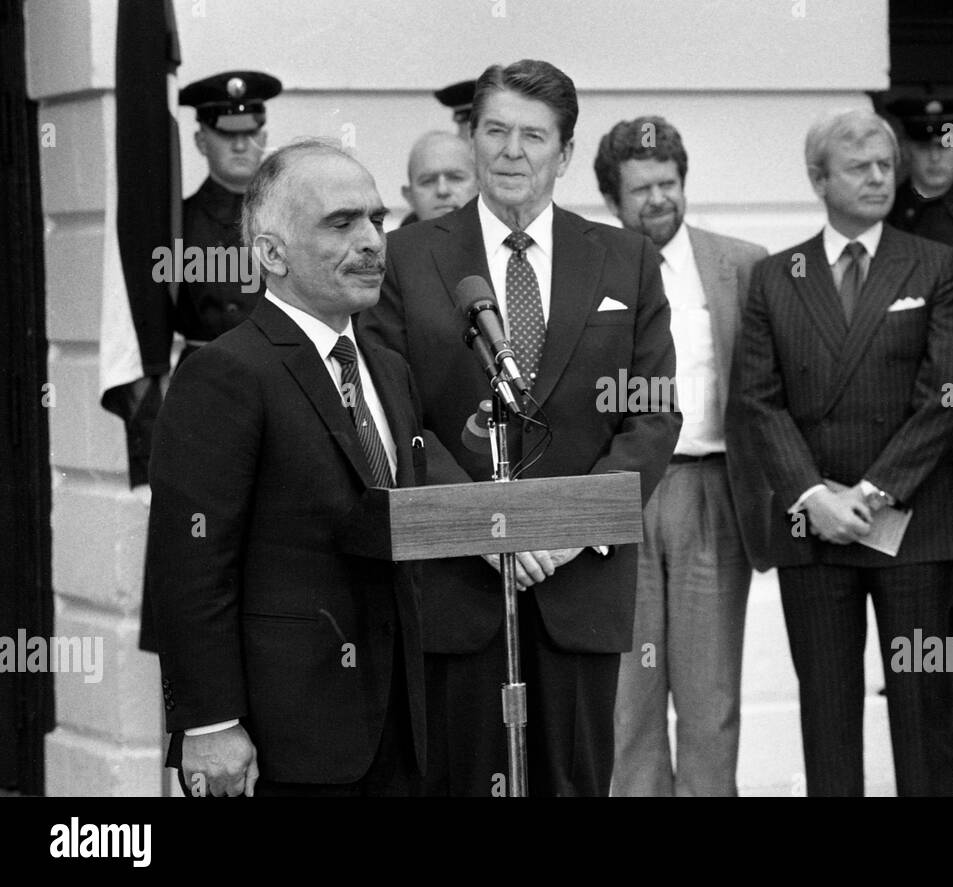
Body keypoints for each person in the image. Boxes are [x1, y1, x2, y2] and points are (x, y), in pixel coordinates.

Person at [360, 59, 681, 797]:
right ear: (471, 139)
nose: (512, 151)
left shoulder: (625, 260)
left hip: (581, 580)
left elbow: (653, 411)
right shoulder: (407, 259)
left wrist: (564, 526)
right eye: (495, 130)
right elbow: (392, 409)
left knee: (573, 782)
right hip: (456, 584)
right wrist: (493, 526)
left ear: (565, 154)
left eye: (533, 136)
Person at [147, 139, 443, 796]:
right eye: (341, 223)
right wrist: (210, 722)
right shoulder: (225, 373)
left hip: (398, 729)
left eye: (377, 219)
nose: (371, 241)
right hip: (284, 742)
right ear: (270, 252)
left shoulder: (388, 370)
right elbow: (191, 563)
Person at [728, 106, 953, 796]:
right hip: (815, 528)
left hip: (912, 524)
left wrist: (869, 494)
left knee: (923, 713)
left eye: (885, 166)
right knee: (827, 713)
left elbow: (945, 394)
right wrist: (813, 496)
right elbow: (758, 400)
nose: (877, 178)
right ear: (817, 178)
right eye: (858, 167)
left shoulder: (935, 265)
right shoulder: (777, 277)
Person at [594, 115, 767, 796]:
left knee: (710, 692)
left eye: (667, 182)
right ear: (613, 199)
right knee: (626, 698)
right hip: (622, 493)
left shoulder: (743, 265)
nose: (657, 198)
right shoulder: (591, 267)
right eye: (640, 188)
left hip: (711, 489)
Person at [886, 96, 953, 768]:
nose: (935, 155)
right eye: (923, 144)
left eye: (946, 143)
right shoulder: (891, 214)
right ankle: (918, 704)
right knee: (913, 580)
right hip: (902, 425)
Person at [175, 70, 280, 362]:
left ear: (264, 137)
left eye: (249, 133)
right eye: (226, 133)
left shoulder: (292, 218)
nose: (240, 145)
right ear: (201, 142)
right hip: (205, 374)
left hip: (280, 375)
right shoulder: (177, 224)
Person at [886, 97, 953, 251]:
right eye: (923, 147)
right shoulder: (885, 212)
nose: (935, 158)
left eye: (944, 146)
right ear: (905, 150)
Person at [398, 130, 478, 226]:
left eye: (456, 178)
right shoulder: (389, 240)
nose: (442, 190)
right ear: (409, 196)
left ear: (481, 187)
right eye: (427, 181)